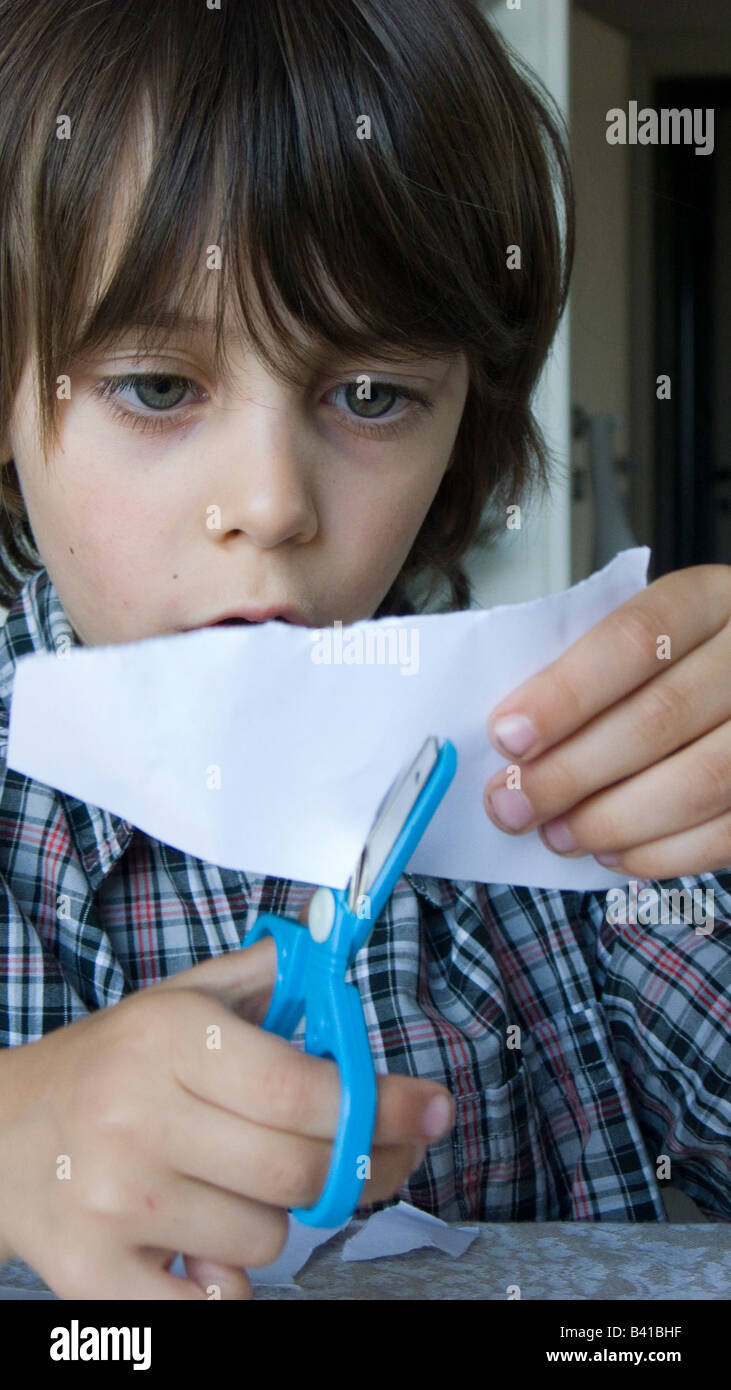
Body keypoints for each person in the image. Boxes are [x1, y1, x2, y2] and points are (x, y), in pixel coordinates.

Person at [0, 0, 728, 1302]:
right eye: (159, 387)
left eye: (371, 396)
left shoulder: (558, 774)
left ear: (469, 424)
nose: (272, 503)